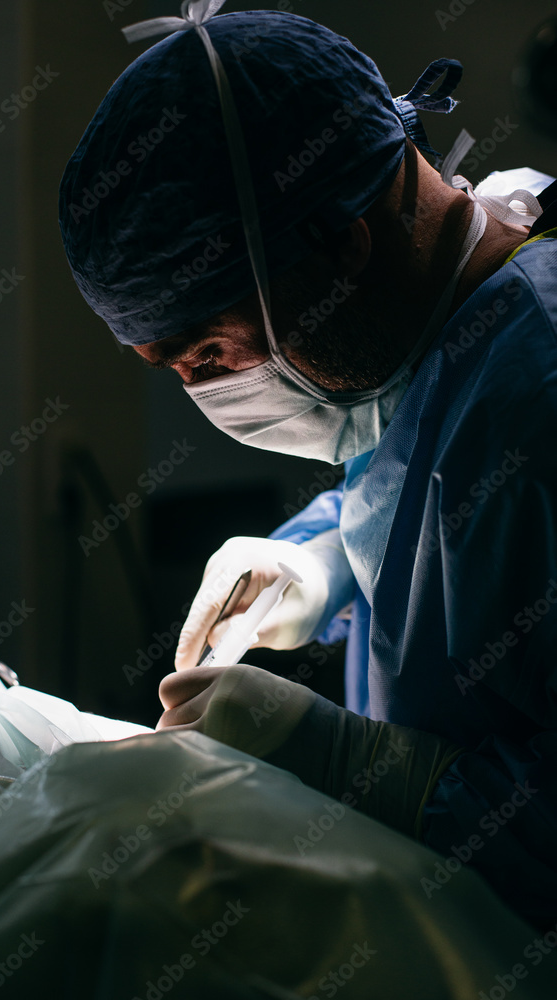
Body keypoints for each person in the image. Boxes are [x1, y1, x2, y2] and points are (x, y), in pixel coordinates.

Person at [58, 3, 557, 931]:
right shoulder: (443, 326)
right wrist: (315, 560)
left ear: (340, 251)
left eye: (205, 353)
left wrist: (340, 759)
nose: (203, 392)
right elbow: (413, 479)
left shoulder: (538, 387)